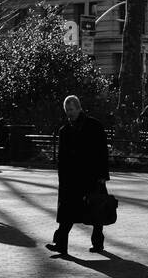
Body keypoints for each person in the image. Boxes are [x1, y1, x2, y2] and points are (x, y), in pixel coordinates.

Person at [45, 95, 111, 256]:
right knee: (67, 212)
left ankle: (97, 243)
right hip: (72, 178)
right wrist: (62, 179)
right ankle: (61, 244)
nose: (69, 113)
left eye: (72, 109)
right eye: (67, 110)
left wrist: (103, 174)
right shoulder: (64, 131)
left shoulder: (94, 126)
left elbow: (102, 152)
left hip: (92, 176)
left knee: (95, 209)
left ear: (79, 108)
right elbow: (62, 158)